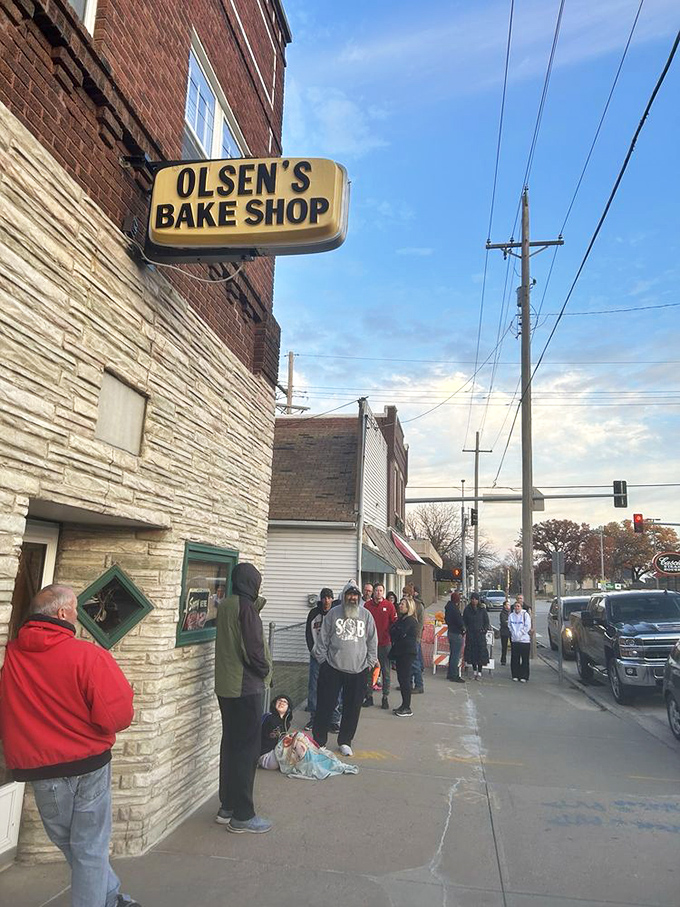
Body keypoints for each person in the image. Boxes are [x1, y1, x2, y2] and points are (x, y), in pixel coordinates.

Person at [0, 585, 140, 907]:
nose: (78, 615)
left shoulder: (12, 656)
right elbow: (117, 716)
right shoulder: (87, 655)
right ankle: (106, 897)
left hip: (41, 771)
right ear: (63, 613)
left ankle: (111, 896)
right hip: (89, 766)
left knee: (75, 846)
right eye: (76, 608)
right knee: (87, 848)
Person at [215, 563, 273, 834]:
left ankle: (226, 806)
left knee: (230, 745)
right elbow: (254, 651)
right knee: (247, 751)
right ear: (253, 583)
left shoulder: (226, 605)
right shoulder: (247, 610)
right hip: (245, 688)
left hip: (225, 686)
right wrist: (265, 671)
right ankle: (243, 815)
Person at [312, 580, 378, 758]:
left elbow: (372, 641)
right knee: (325, 705)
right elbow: (322, 639)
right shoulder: (333, 614)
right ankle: (319, 741)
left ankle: (345, 741)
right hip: (332, 667)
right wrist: (322, 661)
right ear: (343, 596)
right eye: (349, 594)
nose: (352, 598)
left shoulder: (366, 615)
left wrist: (369, 663)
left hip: (358, 670)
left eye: (355, 595)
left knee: (353, 708)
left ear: (359, 597)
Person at [304, 588, 341, 733]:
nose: (327, 601)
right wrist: (314, 651)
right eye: (324, 598)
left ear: (332, 599)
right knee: (314, 688)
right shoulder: (313, 614)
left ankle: (334, 719)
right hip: (316, 657)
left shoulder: (336, 614)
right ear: (321, 599)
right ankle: (314, 717)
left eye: (329, 598)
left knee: (334, 689)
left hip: (333, 658)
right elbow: (308, 634)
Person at [363, 583, 397, 709]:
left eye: (380, 590)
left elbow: (394, 623)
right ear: (373, 592)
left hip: (385, 643)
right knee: (369, 671)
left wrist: (391, 637)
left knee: (385, 671)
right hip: (370, 644)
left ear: (383, 592)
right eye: (376, 590)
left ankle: (385, 697)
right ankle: (369, 696)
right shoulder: (367, 606)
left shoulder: (389, 606)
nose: (378, 593)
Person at [389, 598, 419, 716]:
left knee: (405, 679)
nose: (400, 606)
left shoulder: (410, 620)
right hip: (400, 652)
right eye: (400, 604)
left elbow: (400, 633)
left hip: (407, 653)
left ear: (409, 607)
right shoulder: (401, 619)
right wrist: (396, 631)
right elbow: (392, 631)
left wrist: (396, 631)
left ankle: (407, 707)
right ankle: (403, 705)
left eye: (402, 604)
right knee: (401, 679)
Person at [258, 695, 293, 770]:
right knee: (298, 739)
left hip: (276, 753)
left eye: (285, 702)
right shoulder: (269, 718)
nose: (282, 703)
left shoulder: (286, 723)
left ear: (288, 708)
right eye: (279, 700)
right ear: (274, 704)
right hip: (266, 755)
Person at [463, 592, 490, 680]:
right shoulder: (467, 609)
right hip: (471, 635)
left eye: (475, 599)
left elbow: (486, 621)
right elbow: (464, 621)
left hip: (480, 635)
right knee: (472, 654)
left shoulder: (482, 609)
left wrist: (484, 630)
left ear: (478, 600)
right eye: (472, 599)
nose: (474, 601)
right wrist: (466, 628)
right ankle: (474, 671)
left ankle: (480, 671)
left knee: (480, 653)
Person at [405, 582, 425, 693]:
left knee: (415, 662)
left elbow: (420, 623)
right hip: (407, 638)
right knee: (408, 662)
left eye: (406, 594)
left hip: (414, 638)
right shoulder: (406, 604)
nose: (404, 596)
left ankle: (419, 684)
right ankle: (408, 683)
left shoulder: (418, 606)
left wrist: (417, 637)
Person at [509, 600, 532, 682]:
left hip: (524, 640)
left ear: (521, 607)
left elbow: (527, 626)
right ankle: (515, 675)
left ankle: (524, 676)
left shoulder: (525, 615)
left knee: (525, 659)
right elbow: (510, 625)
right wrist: (513, 633)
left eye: (518, 606)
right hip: (515, 640)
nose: (516, 608)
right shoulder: (511, 615)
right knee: (515, 658)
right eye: (515, 606)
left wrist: (520, 633)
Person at [445, 590, 465, 683]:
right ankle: (454, 675)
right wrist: (463, 629)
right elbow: (459, 621)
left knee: (452, 654)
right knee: (456, 655)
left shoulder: (448, 608)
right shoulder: (455, 609)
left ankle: (450, 673)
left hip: (450, 632)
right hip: (456, 633)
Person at [499, 599, 511, 665]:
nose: (508, 606)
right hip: (504, 632)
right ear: (504, 606)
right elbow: (504, 622)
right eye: (507, 605)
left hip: (511, 632)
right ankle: (503, 660)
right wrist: (509, 623)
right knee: (504, 647)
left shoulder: (511, 613)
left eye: (509, 604)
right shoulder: (502, 613)